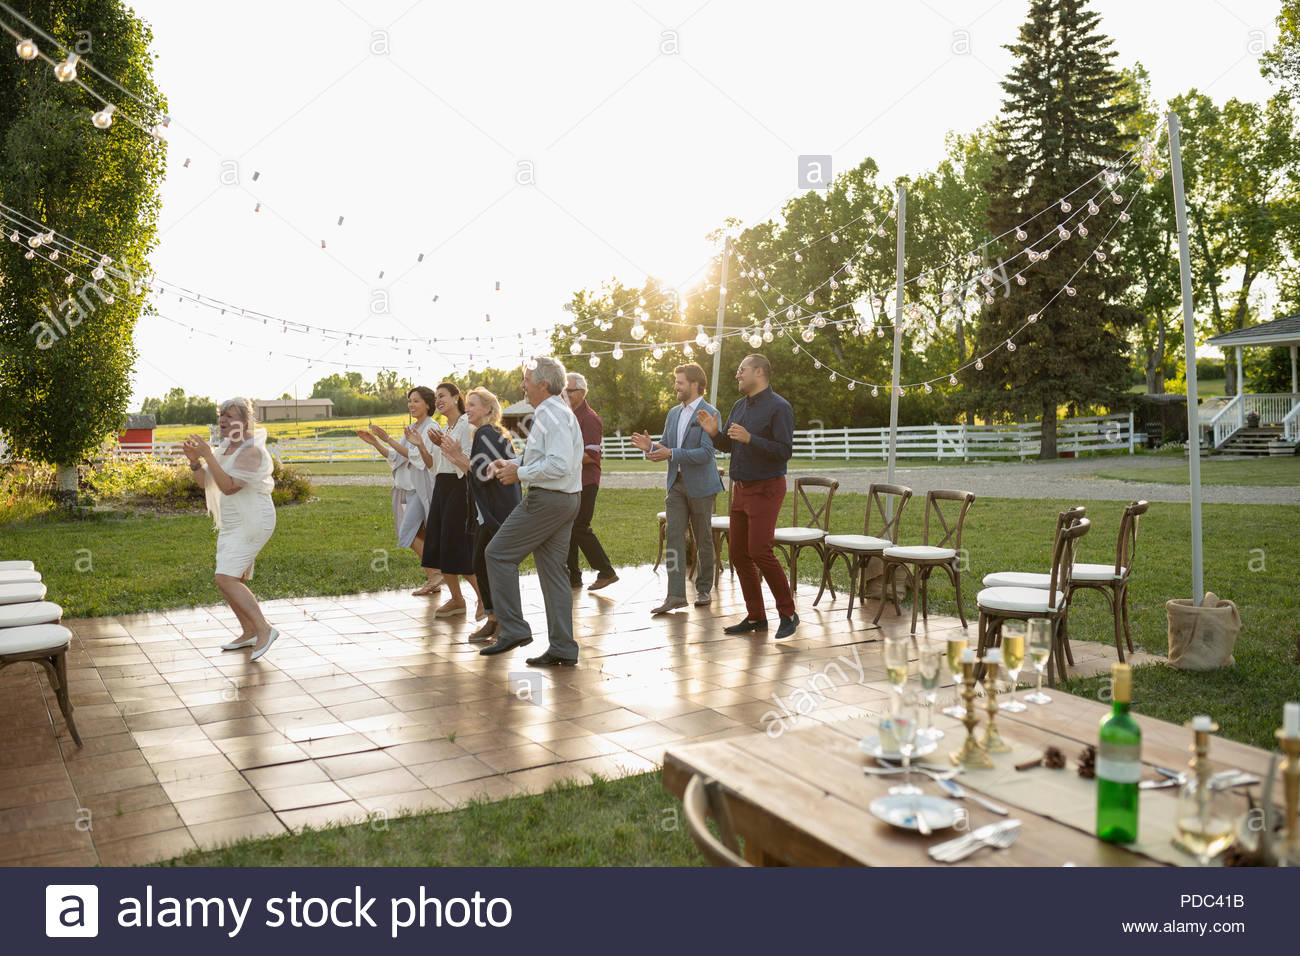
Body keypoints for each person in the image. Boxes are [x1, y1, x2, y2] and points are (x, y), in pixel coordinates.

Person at [479, 357, 583, 666]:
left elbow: (559, 465)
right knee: (554, 575)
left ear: (542, 384)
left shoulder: (552, 414)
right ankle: (563, 647)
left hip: (548, 501)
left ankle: (513, 629)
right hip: (563, 500)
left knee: (497, 554)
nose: (522, 384)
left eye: (526, 379)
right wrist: (513, 464)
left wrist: (519, 475)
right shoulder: (551, 413)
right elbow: (545, 457)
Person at [697, 354, 799, 639]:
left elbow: (784, 451)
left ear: (759, 372)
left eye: (741, 370)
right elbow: (730, 445)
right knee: (739, 554)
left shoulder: (780, 408)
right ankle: (756, 616)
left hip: (767, 488)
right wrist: (715, 433)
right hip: (739, 488)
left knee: (759, 551)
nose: (737, 375)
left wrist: (751, 439)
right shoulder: (739, 406)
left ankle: (788, 612)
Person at [183, 397, 284, 661]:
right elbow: (207, 482)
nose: (223, 421)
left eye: (230, 416)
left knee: (225, 578)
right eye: (221, 415)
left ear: (245, 421)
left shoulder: (252, 451)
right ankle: (249, 631)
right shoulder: (225, 446)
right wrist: (196, 461)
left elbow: (228, 486)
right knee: (230, 579)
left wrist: (207, 455)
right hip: (231, 523)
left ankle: (264, 629)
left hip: (253, 520)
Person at [631, 363, 723, 614]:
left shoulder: (710, 412)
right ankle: (675, 595)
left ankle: (703, 589)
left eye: (680, 382)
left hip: (702, 486)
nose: (675, 387)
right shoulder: (673, 413)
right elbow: (667, 446)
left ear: (694, 384)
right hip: (676, 485)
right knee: (673, 536)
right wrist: (651, 447)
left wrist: (671, 453)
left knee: (703, 538)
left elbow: (706, 453)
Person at [435, 387, 521, 644]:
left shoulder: (485, 432)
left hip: (495, 509)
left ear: (487, 409)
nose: (468, 408)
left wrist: (455, 454)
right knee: (482, 562)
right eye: (468, 404)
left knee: (487, 563)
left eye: (473, 405)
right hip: (492, 509)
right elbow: (478, 471)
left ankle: (502, 622)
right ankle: (495, 620)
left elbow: (484, 474)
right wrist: (453, 454)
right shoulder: (492, 432)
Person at [357, 387, 442, 596]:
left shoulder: (431, 428)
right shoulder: (413, 427)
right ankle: (433, 579)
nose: (411, 405)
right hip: (406, 490)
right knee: (420, 533)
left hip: (420, 489)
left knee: (408, 533)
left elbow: (417, 457)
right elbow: (398, 456)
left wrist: (388, 439)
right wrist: (376, 442)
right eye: (410, 401)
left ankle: (438, 572)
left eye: (416, 401)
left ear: (428, 405)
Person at [418, 383, 482, 619]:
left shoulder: (466, 424)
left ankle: (483, 598)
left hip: (460, 487)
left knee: (456, 544)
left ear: (457, 398)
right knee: (440, 545)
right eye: (436, 398)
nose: (438, 401)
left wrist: (443, 445)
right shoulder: (445, 428)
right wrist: (422, 445)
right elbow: (434, 466)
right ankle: (457, 599)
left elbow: (467, 462)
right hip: (442, 487)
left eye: (442, 396)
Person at [563, 372, 618, 592]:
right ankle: (573, 577)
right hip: (571, 481)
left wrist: (561, 459)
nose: (565, 394)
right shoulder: (567, 415)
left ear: (583, 392)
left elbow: (591, 456)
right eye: (563, 390)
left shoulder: (590, 419)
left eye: (570, 390)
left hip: (586, 481)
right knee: (568, 527)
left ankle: (606, 571)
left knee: (579, 526)